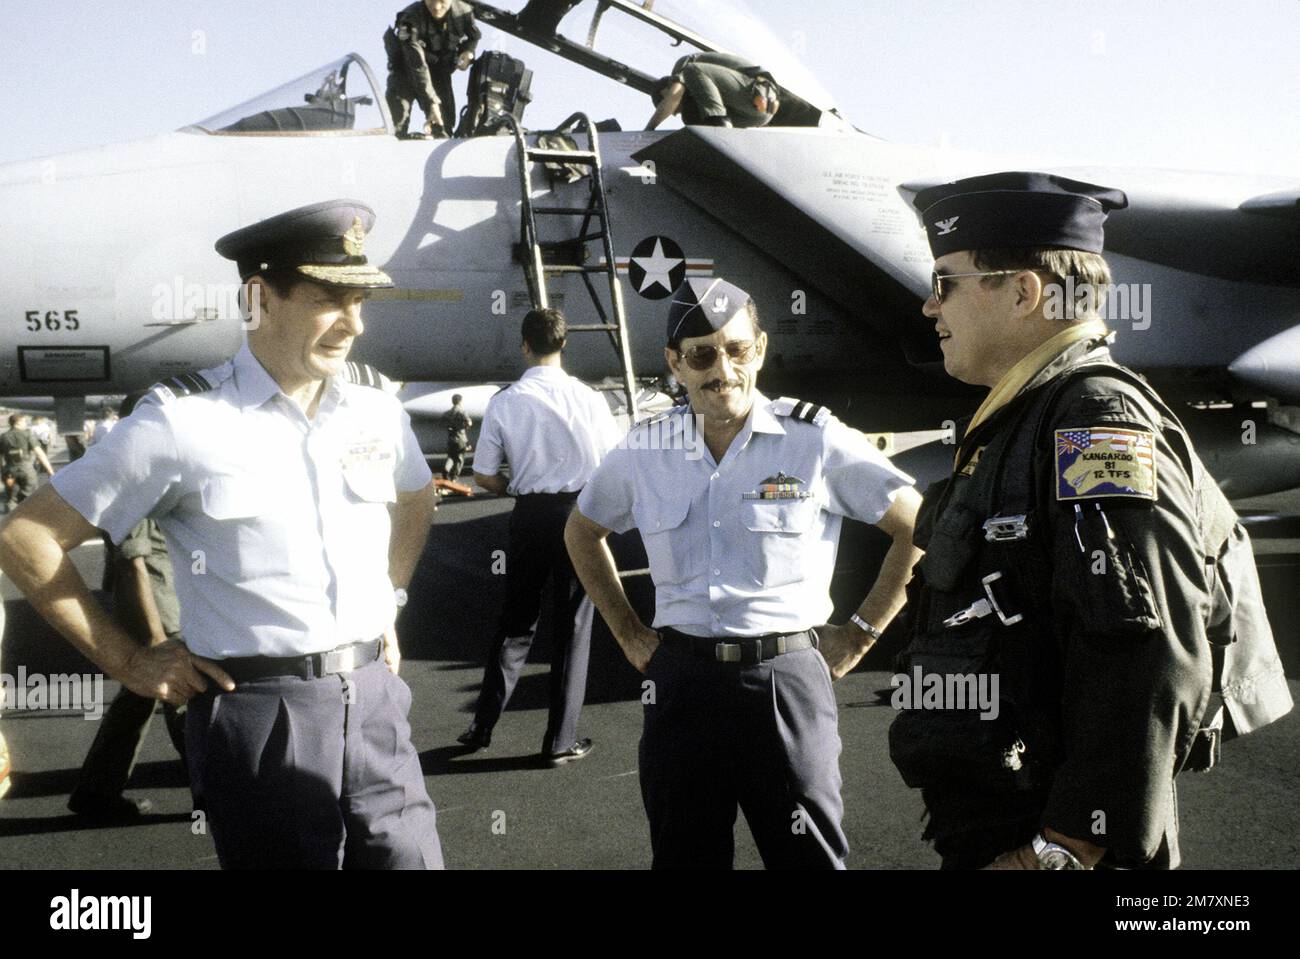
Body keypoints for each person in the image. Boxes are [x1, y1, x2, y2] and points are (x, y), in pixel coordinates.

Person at [0, 200, 444, 869]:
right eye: (330, 298)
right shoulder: (183, 421)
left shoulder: (377, 409)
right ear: (261, 298)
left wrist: (390, 598)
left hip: (376, 700)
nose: (354, 323)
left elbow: (418, 499)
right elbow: (26, 538)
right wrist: (130, 661)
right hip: (261, 712)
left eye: (360, 300)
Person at [890, 171, 1291, 870]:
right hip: (1000, 822)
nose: (929, 305)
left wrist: (1063, 848)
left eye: (946, 281)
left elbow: (1148, 649)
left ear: (1023, 292)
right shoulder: (1022, 421)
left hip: (1055, 844)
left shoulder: (1094, 420)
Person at [565, 278, 922, 868]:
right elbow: (581, 531)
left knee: (807, 858)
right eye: (701, 355)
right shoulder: (644, 450)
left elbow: (917, 528)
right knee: (685, 856)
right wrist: (626, 630)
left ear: (758, 348)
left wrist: (861, 632)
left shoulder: (814, 440)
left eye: (736, 350)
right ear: (675, 365)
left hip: (785, 681)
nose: (722, 370)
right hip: (679, 682)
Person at [459, 308, 622, 764]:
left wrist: (519, 485)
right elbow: (613, 467)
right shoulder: (590, 399)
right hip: (578, 516)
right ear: (564, 344)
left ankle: (481, 726)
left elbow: (485, 476)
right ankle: (558, 741)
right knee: (573, 625)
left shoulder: (505, 401)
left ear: (524, 346)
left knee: (516, 620)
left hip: (529, 515)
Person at [67, 392, 187, 823]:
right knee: (182, 692)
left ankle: (96, 791)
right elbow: (134, 560)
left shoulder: (138, 459)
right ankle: (217, 789)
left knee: (140, 697)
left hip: (157, 598)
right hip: (154, 604)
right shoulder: (135, 468)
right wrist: (155, 634)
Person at [384, 0, 480, 138]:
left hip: (439, 72)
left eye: (442, 1)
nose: (436, 7)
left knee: (443, 127)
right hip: (405, 71)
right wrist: (431, 103)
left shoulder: (464, 12)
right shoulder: (410, 19)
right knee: (395, 126)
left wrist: (468, 51)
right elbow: (417, 65)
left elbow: (474, 36)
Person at [646, 52, 780, 130]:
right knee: (691, 116)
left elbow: (674, 95)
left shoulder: (682, 65)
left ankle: (720, 124)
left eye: (674, 110)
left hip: (758, 94)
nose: (675, 112)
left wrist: (648, 131)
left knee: (692, 70)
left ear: (666, 90)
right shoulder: (703, 89)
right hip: (754, 116)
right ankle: (719, 128)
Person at [1, 413, 54, 512]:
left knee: (11, 499)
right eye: (25, 421)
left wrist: (3, 471)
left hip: (10, 474)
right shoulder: (27, 434)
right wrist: (50, 471)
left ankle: (10, 523)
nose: (26, 424)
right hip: (26, 471)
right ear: (19, 422)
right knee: (30, 499)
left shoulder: (3, 437)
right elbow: (40, 454)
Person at [442, 393, 473, 481]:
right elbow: (469, 423)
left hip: (451, 438)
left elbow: (442, 423)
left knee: (451, 457)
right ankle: (454, 478)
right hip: (460, 438)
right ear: (460, 401)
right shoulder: (462, 412)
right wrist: (465, 427)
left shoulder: (447, 413)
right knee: (459, 459)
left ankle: (446, 469)